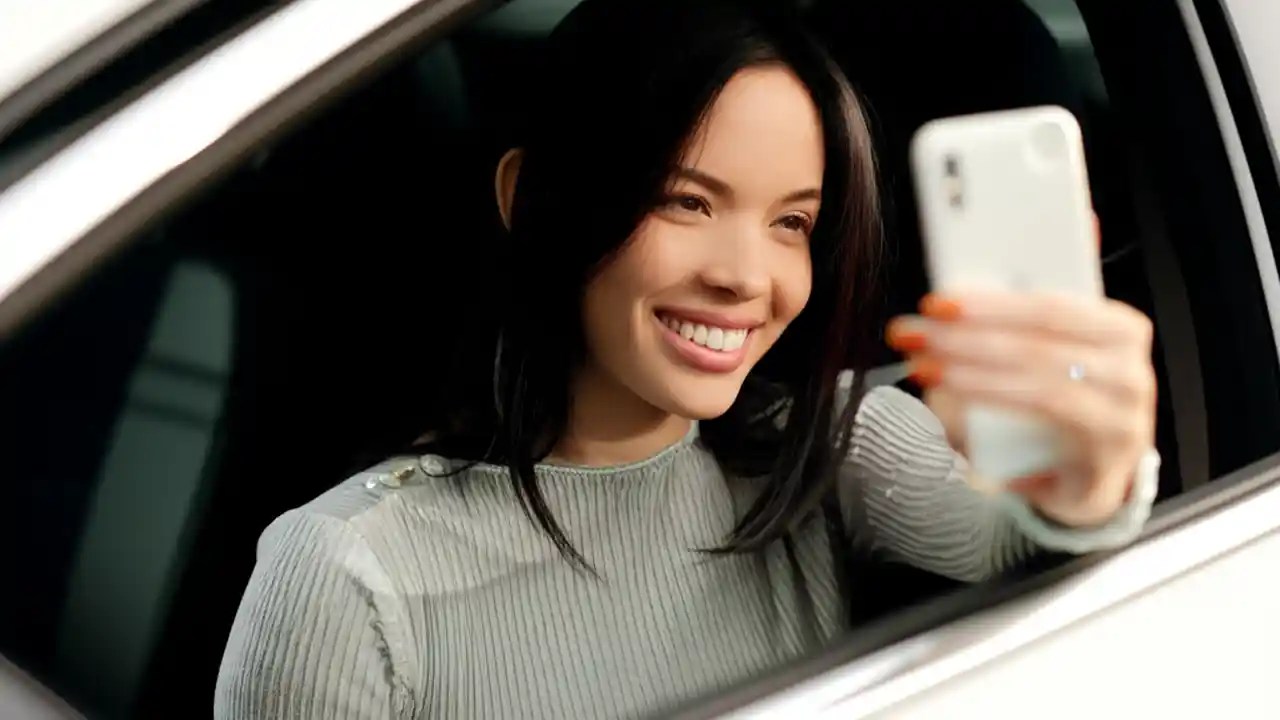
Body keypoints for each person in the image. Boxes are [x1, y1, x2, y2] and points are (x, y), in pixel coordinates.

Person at [214, 0, 1160, 718]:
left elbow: (1027, 531)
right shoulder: (347, 573)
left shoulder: (828, 449)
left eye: (792, 222)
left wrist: (1087, 460)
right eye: (687, 201)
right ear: (531, 195)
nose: (747, 278)